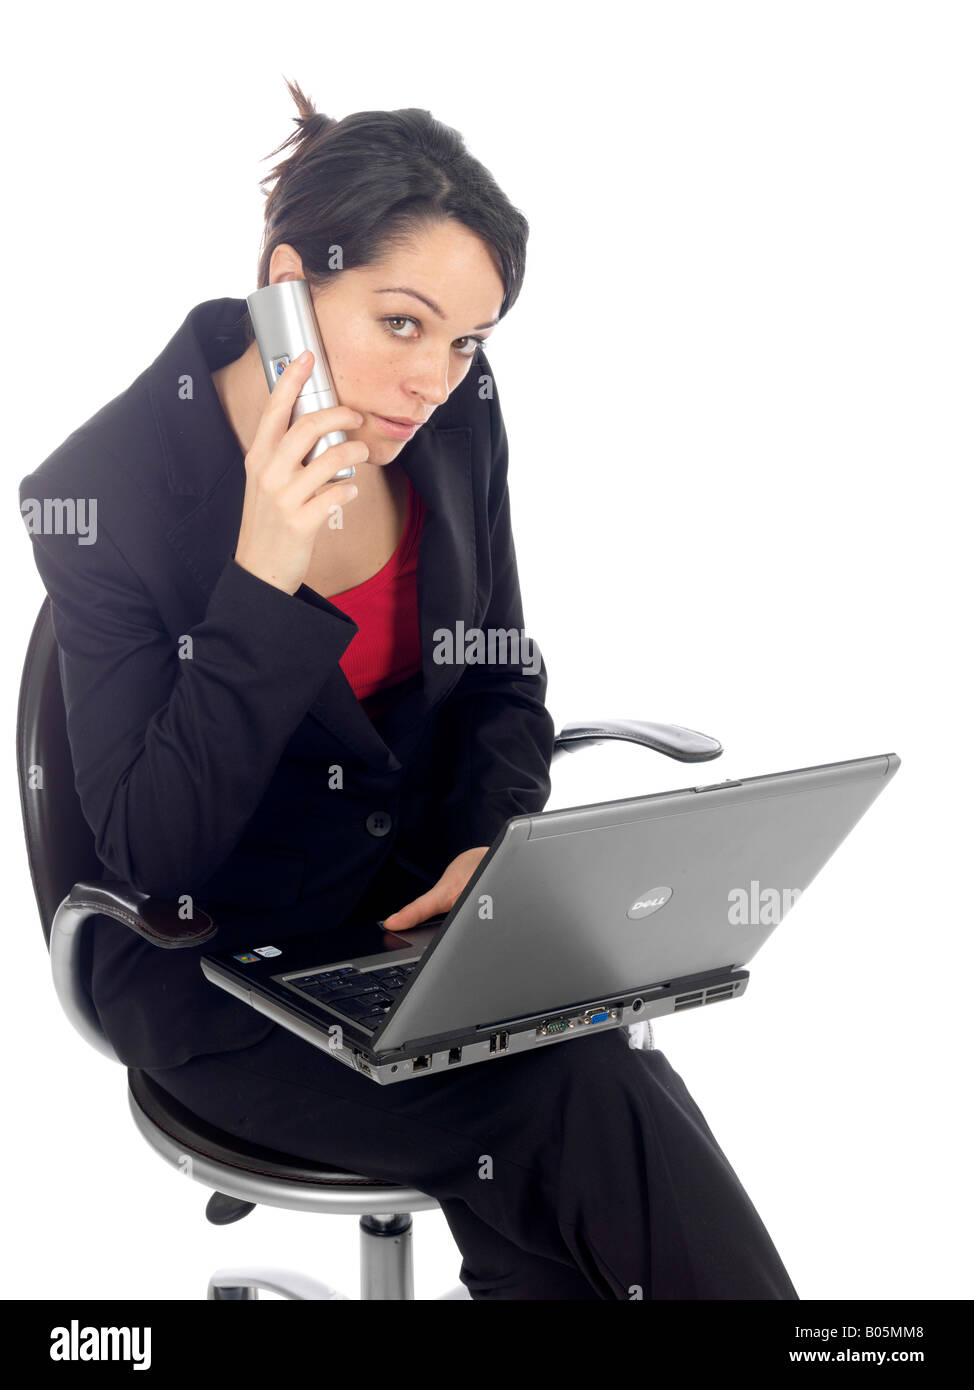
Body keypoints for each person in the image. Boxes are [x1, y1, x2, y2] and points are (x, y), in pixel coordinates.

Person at [19, 80, 798, 1300]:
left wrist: (490, 843)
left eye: (467, 339)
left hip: (420, 932)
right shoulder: (107, 499)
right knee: (576, 1095)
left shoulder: (445, 418)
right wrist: (264, 577)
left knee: (572, 1116)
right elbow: (152, 858)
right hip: (221, 978)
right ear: (286, 281)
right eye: (401, 322)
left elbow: (499, 678)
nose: (436, 377)